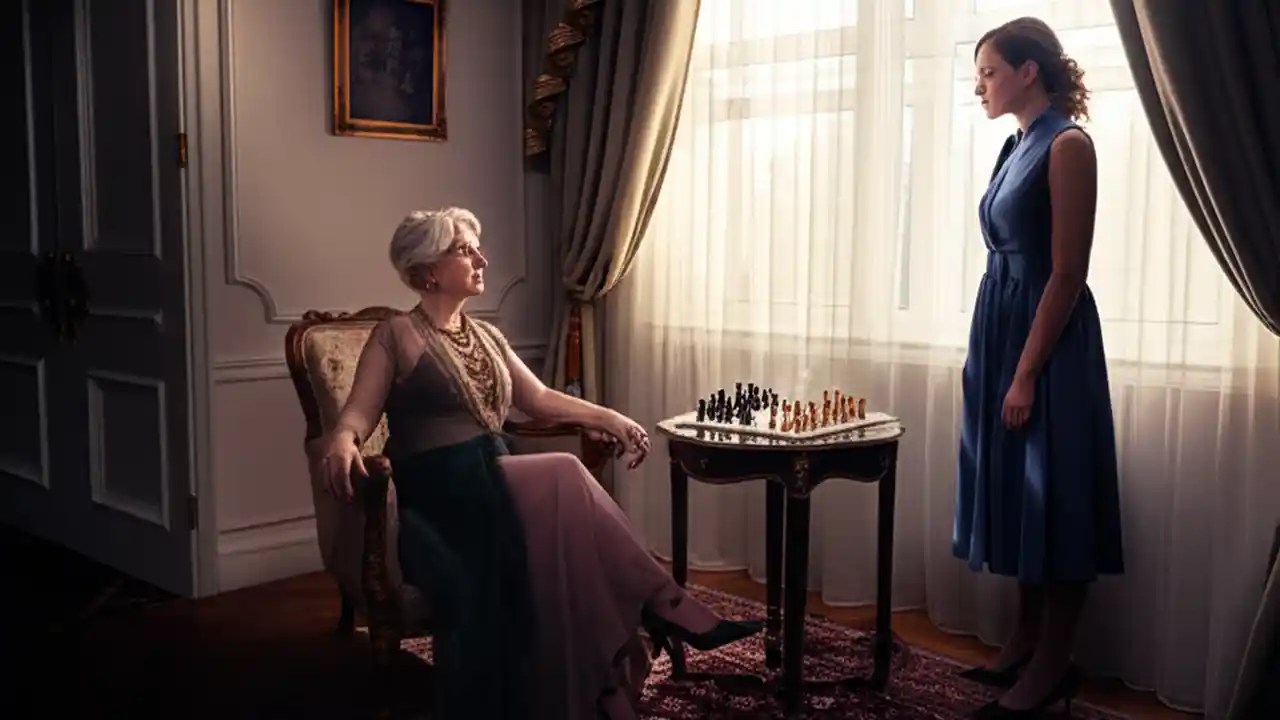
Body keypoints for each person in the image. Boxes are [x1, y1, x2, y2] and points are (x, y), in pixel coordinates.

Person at [314, 207, 762, 720]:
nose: (482, 258)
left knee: (574, 558)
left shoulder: (486, 335)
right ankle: (668, 604)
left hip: (495, 477)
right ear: (428, 269)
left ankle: (608, 684)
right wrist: (343, 440)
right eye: (465, 249)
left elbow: (540, 397)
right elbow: (357, 413)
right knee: (566, 473)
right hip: (439, 492)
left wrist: (610, 416)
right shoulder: (397, 334)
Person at [952, 17, 1124, 719]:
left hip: (1048, 343)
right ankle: (1024, 638)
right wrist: (991, 360)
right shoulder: (1013, 145)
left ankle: (1057, 659)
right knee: (1016, 492)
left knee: (1055, 491)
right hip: (1000, 328)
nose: (980, 87)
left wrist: (1025, 372)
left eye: (989, 72)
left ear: (1029, 71)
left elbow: (1066, 272)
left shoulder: (1068, 144)